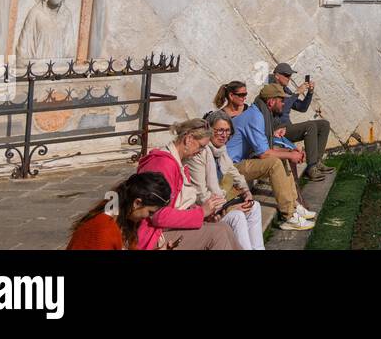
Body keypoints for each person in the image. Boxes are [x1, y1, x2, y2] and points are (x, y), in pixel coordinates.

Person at [218, 81, 316, 231]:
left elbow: (265, 147)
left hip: (239, 162)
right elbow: (264, 154)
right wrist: (289, 155)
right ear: (271, 101)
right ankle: (288, 216)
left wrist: (290, 152)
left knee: (283, 157)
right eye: (281, 100)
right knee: (274, 162)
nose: (284, 104)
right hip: (229, 168)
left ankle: (294, 204)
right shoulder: (256, 116)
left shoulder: (260, 112)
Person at [135, 120, 238, 250]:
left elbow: (178, 205)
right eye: (201, 146)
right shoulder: (163, 165)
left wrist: (202, 213)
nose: (201, 152)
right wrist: (200, 213)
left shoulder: (179, 164)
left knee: (224, 228)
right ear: (188, 139)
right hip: (153, 235)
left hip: (165, 228)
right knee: (218, 234)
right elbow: (157, 215)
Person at [185, 110, 264, 250]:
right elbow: (200, 195)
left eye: (227, 131)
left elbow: (232, 171)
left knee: (255, 206)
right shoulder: (199, 153)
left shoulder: (220, 150)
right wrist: (227, 208)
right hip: (207, 212)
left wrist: (246, 191)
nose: (224, 135)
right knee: (237, 216)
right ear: (209, 130)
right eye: (220, 130)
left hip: (221, 202)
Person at [67, 171, 172, 250]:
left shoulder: (125, 220)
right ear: (137, 203)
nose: (149, 217)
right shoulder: (103, 231)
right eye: (150, 212)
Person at [268, 61, 333, 181]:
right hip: (278, 131)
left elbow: (302, 108)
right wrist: (297, 93)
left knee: (324, 124)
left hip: (287, 128)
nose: (289, 78)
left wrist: (310, 93)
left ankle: (317, 161)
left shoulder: (285, 90)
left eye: (290, 75)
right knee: (310, 126)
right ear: (277, 75)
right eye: (286, 75)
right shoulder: (271, 90)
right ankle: (311, 167)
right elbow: (281, 110)